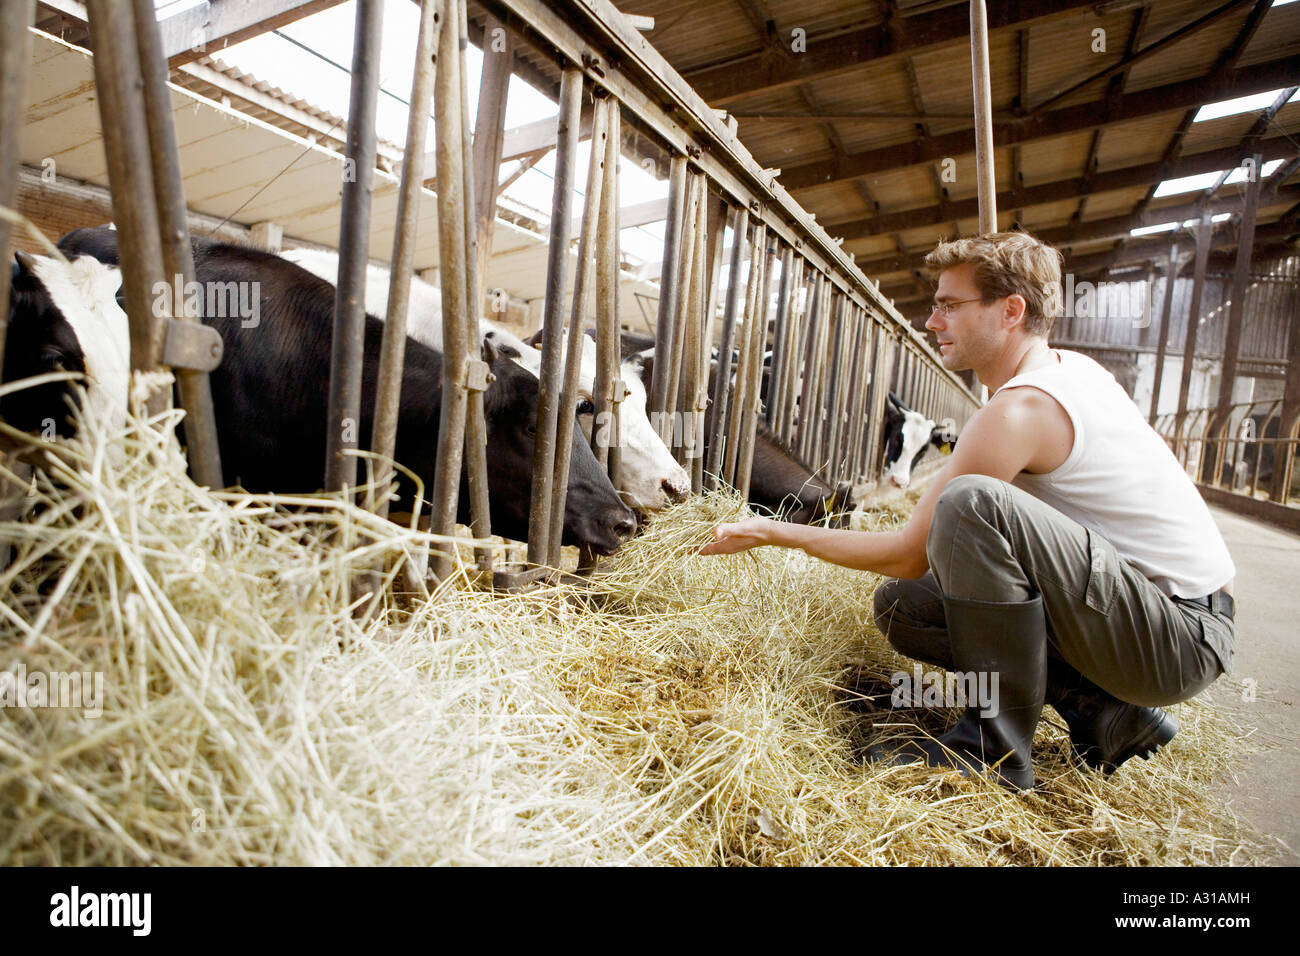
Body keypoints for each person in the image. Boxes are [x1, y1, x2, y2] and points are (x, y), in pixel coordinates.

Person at [698, 231, 1236, 790]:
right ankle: (1106, 712)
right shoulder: (1067, 370)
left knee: (971, 504)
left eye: (950, 306)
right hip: (1161, 620)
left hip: (1176, 639)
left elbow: (906, 552)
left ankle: (991, 753)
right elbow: (914, 573)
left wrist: (775, 531)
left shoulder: (1021, 409)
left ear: (1010, 311)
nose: (933, 322)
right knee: (907, 607)